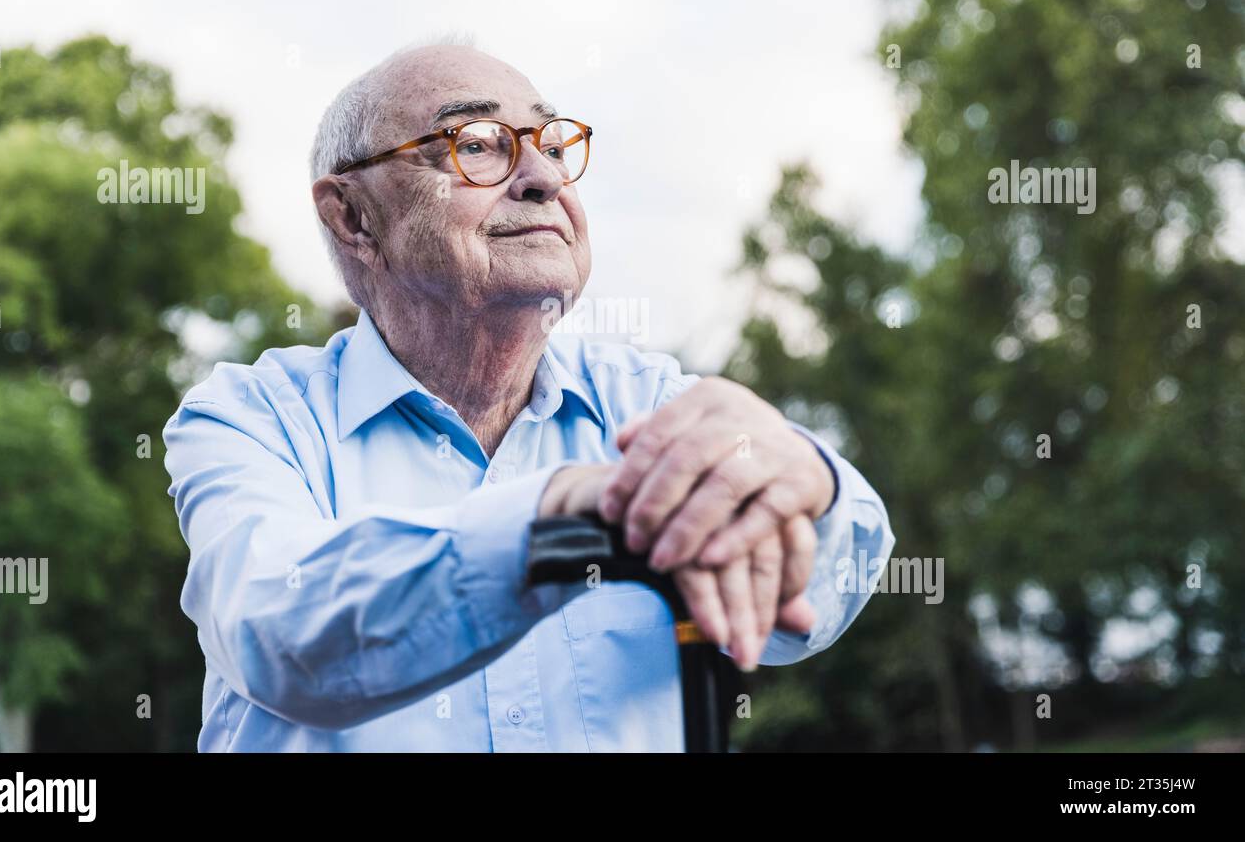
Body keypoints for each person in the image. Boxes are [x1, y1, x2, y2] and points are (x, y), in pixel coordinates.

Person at [163, 42, 895, 751]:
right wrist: (550, 518)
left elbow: (817, 594)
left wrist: (808, 483)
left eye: (550, 141)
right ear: (352, 216)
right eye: (478, 143)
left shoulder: (651, 400)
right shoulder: (251, 417)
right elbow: (278, 630)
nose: (542, 175)